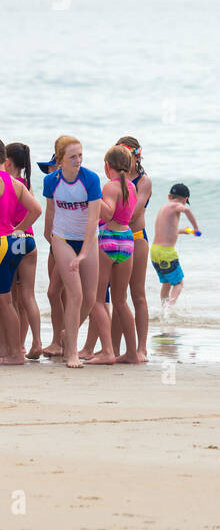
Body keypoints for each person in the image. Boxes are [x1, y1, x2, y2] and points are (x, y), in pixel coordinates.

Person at [42, 135, 113, 367]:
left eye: (80, 155)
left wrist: (84, 253)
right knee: (76, 294)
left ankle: (66, 334)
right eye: (73, 156)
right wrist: (50, 239)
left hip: (87, 240)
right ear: (60, 159)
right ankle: (71, 352)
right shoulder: (52, 180)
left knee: (90, 298)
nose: (78, 160)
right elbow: (50, 211)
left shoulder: (90, 179)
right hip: (62, 239)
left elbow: (94, 218)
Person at [0, 136, 42, 365]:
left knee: (2, 300)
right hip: (21, 242)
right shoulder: (17, 183)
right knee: (12, 299)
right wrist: (18, 230)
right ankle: (4, 348)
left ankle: (14, 353)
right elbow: (36, 210)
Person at [89, 145, 139, 363]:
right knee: (121, 301)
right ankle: (131, 353)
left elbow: (108, 212)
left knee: (98, 300)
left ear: (107, 166)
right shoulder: (132, 187)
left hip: (108, 238)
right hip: (127, 240)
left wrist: (92, 194)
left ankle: (107, 352)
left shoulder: (110, 186)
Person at [3, 142, 42, 359]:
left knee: (9, 296)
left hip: (14, 240)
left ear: (7, 162)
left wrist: (15, 229)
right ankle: (34, 342)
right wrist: (23, 228)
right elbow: (35, 210)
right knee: (27, 296)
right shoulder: (26, 183)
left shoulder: (7, 183)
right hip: (29, 239)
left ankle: (16, 344)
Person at [117, 136, 152, 361]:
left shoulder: (143, 181)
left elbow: (133, 213)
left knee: (137, 294)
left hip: (136, 238)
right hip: (116, 237)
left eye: (126, 155)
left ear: (135, 155)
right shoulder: (114, 178)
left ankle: (142, 348)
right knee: (117, 296)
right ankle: (114, 346)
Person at [151, 184, 199, 316]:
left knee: (166, 283)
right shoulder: (176, 206)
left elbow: (168, 231)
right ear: (185, 200)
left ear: (169, 196)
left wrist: (183, 231)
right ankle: (170, 309)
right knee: (178, 283)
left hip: (155, 251)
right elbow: (187, 211)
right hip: (166, 252)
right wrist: (196, 228)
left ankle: (163, 309)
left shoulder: (164, 208)